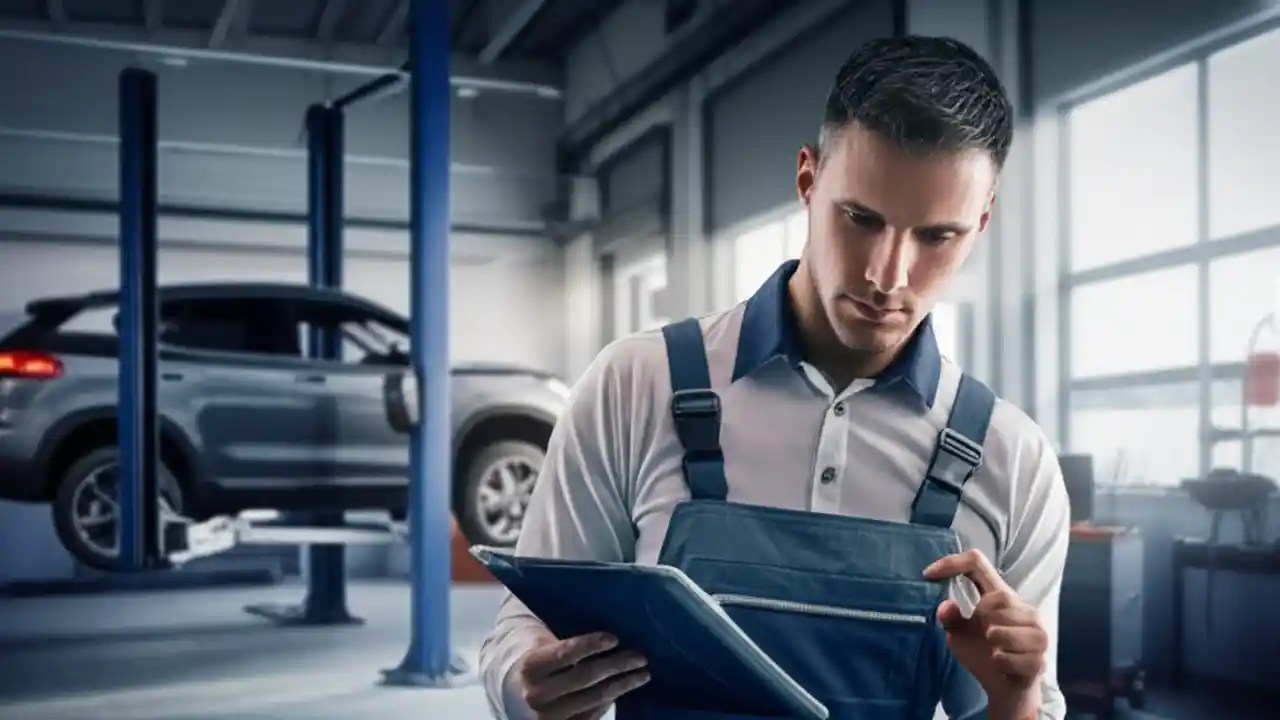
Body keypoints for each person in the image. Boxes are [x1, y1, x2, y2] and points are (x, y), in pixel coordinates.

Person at [479, 34, 1070, 720]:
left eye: (937, 236)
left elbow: (1029, 705)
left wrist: (1017, 698)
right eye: (861, 218)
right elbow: (522, 628)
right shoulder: (635, 387)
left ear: (982, 221)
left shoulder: (1011, 460)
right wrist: (527, 683)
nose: (888, 275)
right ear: (808, 180)